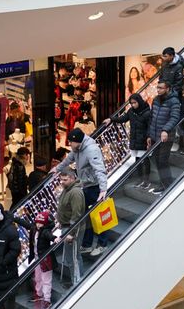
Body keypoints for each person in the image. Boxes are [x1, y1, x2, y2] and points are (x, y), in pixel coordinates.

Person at [55, 126, 108, 254]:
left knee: (99, 214)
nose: (69, 145)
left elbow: (99, 169)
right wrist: (57, 168)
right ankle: (87, 243)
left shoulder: (91, 150)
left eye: (70, 142)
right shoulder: (77, 148)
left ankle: (102, 244)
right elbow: (69, 159)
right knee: (85, 214)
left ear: (77, 141)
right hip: (85, 185)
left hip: (94, 186)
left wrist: (103, 189)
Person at [104, 94, 152, 188]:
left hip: (143, 140)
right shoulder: (131, 111)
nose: (133, 105)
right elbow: (123, 119)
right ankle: (141, 179)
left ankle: (146, 180)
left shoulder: (147, 113)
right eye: (131, 103)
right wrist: (111, 119)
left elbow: (150, 126)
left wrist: (148, 138)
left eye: (134, 103)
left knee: (145, 160)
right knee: (137, 160)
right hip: (134, 139)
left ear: (139, 101)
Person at [147, 80, 182, 192]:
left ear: (167, 89)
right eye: (157, 88)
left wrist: (165, 130)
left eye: (161, 88)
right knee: (157, 160)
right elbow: (152, 118)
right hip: (155, 135)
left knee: (162, 160)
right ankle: (164, 183)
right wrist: (149, 135)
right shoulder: (156, 99)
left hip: (166, 136)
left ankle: (168, 185)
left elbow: (175, 117)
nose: (158, 90)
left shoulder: (174, 101)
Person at [54, 168, 85, 287]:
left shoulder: (75, 193)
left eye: (64, 180)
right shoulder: (67, 189)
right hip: (66, 226)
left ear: (72, 178)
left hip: (72, 229)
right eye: (60, 179)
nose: (61, 182)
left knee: (73, 257)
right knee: (71, 257)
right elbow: (64, 207)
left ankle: (78, 282)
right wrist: (60, 221)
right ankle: (76, 280)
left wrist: (71, 233)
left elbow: (76, 216)